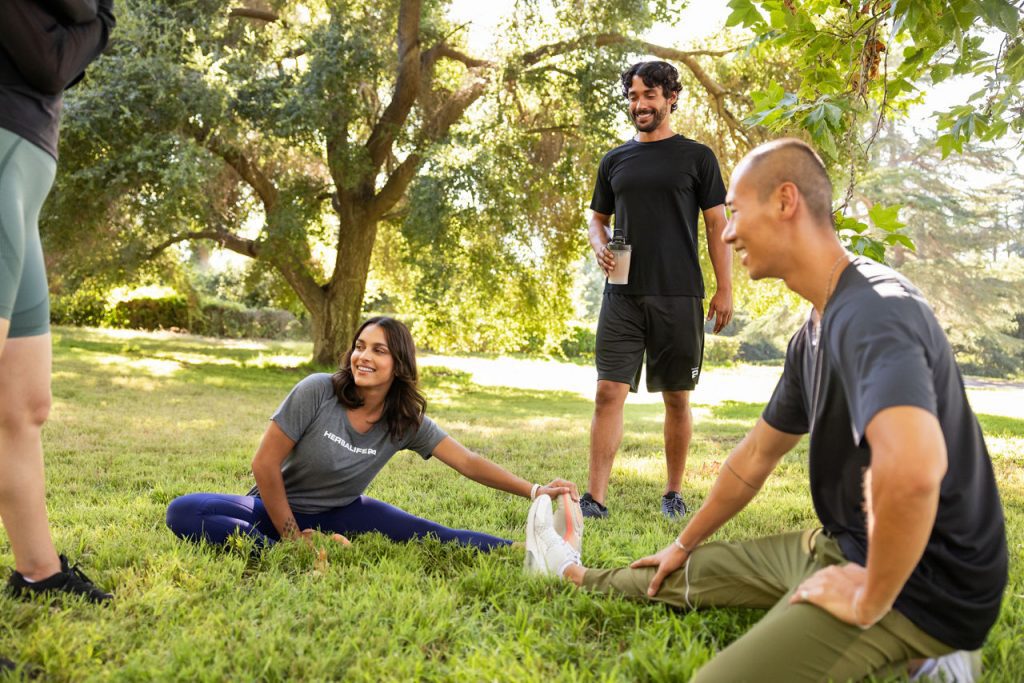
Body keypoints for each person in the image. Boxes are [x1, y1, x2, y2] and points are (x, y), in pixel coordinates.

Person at [526, 139, 1008, 682]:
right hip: (842, 545)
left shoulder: (875, 312)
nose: (727, 233)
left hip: (925, 587)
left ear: (785, 201)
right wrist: (683, 543)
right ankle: (571, 573)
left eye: (734, 212)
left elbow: (914, 472)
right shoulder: (816, 330)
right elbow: (753, 457)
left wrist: (871, 597)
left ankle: (931, 655)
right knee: (682, 574)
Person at [166, 317, 579, 552]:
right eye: (360, 346)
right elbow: (264, 464)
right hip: (274, 508)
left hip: (345, 510)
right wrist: (293, 537)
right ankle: (289, 550)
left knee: (434, 534)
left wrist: (536, 490)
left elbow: (468, 462)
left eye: (378, 350)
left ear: (399, 364)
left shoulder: (404, 420)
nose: (363, 356)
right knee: (183, 511)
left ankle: (527, 551)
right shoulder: (317, 390)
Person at [0, 0, 116, 633]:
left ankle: (38, 573)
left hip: (24, 172)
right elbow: (51, 63)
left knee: (24, 402)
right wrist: (95, 19)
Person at [583, 60, 733, 519]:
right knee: (609, 392)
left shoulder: (697, 158)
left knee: (676, 396)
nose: (639, 104)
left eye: (649, 95)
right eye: (632, 96)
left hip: (678, 292)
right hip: (623, 292)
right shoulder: (615, 160)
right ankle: (595, 499)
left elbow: (716, 224)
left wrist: (725, 288)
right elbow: (596, 218)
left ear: (670, 98)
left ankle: (672, 492)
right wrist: (600, 246)